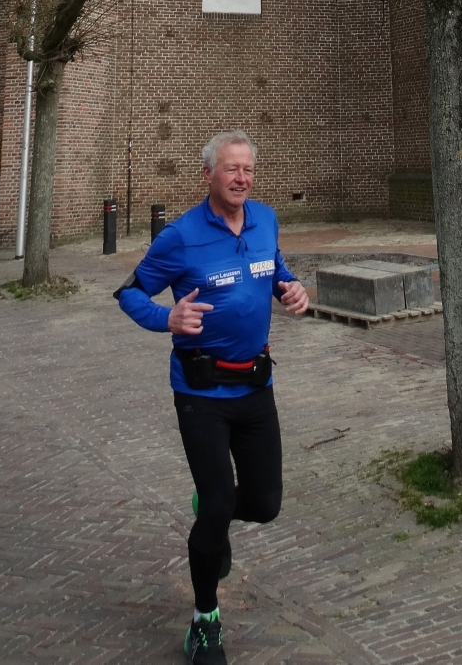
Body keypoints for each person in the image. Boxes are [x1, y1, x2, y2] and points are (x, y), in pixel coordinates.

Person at [116, 131, 309, 665]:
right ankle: (205, 621)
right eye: (231, 169)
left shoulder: (266, 219)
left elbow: (275, 269)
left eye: (248, 168)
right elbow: (130, 292)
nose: (241, 178)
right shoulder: (180, 237)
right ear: (208, 175)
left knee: (265, 504)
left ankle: (211, 509)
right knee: (222, 502)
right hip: (200, 391)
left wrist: (292, 288)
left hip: (256, 387)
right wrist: (165, 317)